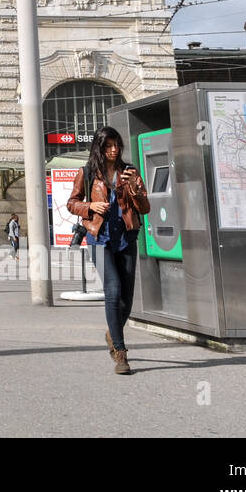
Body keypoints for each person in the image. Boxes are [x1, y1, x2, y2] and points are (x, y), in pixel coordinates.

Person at [66, 126, 150, 376]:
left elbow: (144, 207)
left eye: (117, 145)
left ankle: (111, 333)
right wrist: (91, 205)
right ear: (100, 148)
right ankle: (121, 352)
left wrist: (133, 188)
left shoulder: (130, 172)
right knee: (112, 291)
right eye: (108, 146)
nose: (114, 150)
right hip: (99, 239)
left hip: (126, 238)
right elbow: (72, 203)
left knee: (127, 299)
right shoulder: (88, 173)